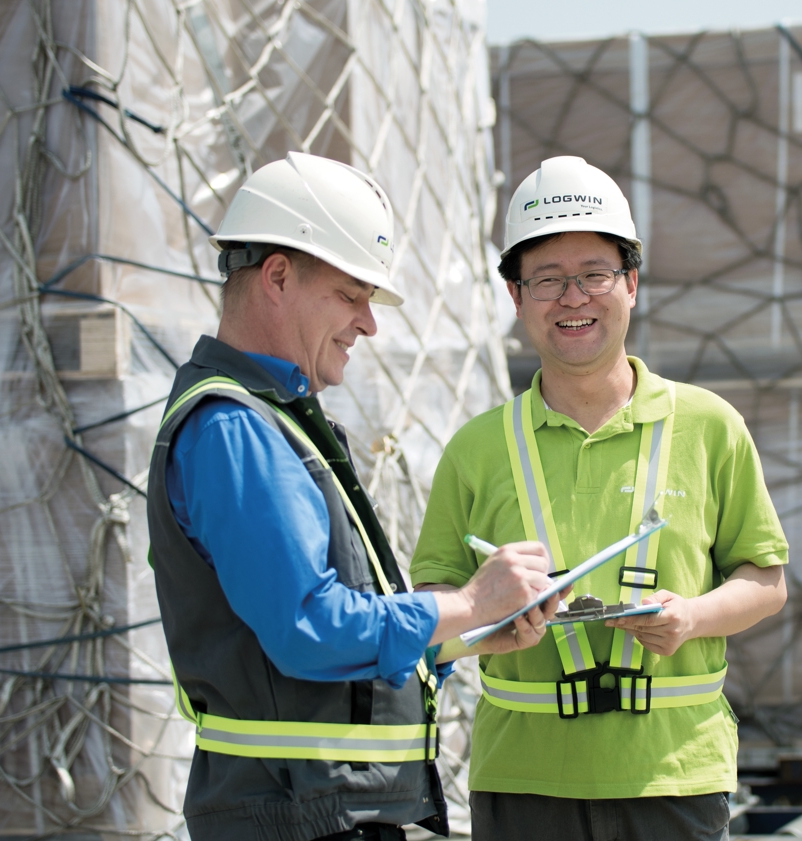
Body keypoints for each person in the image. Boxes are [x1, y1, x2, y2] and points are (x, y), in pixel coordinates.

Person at [147, 152, 563, 841]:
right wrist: (467, 602)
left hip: (311, 811)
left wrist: (463, 635)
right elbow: (309, 628)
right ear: (278, 276)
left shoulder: (269, 421)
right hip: (296, 816)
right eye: (351, 295)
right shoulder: (235, 429)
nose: (369, 323)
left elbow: (325, 653)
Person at [410, 156, 790, 841]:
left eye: (594, 274)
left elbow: (766, 581)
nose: (573, 298)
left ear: (631, 283)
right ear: (516, 296)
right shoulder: (476, 448)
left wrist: (692, 617)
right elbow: (434, 598)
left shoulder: (709, 426)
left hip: (674, 777)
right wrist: (489, 621)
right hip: (522, 780)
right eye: (547, 279)